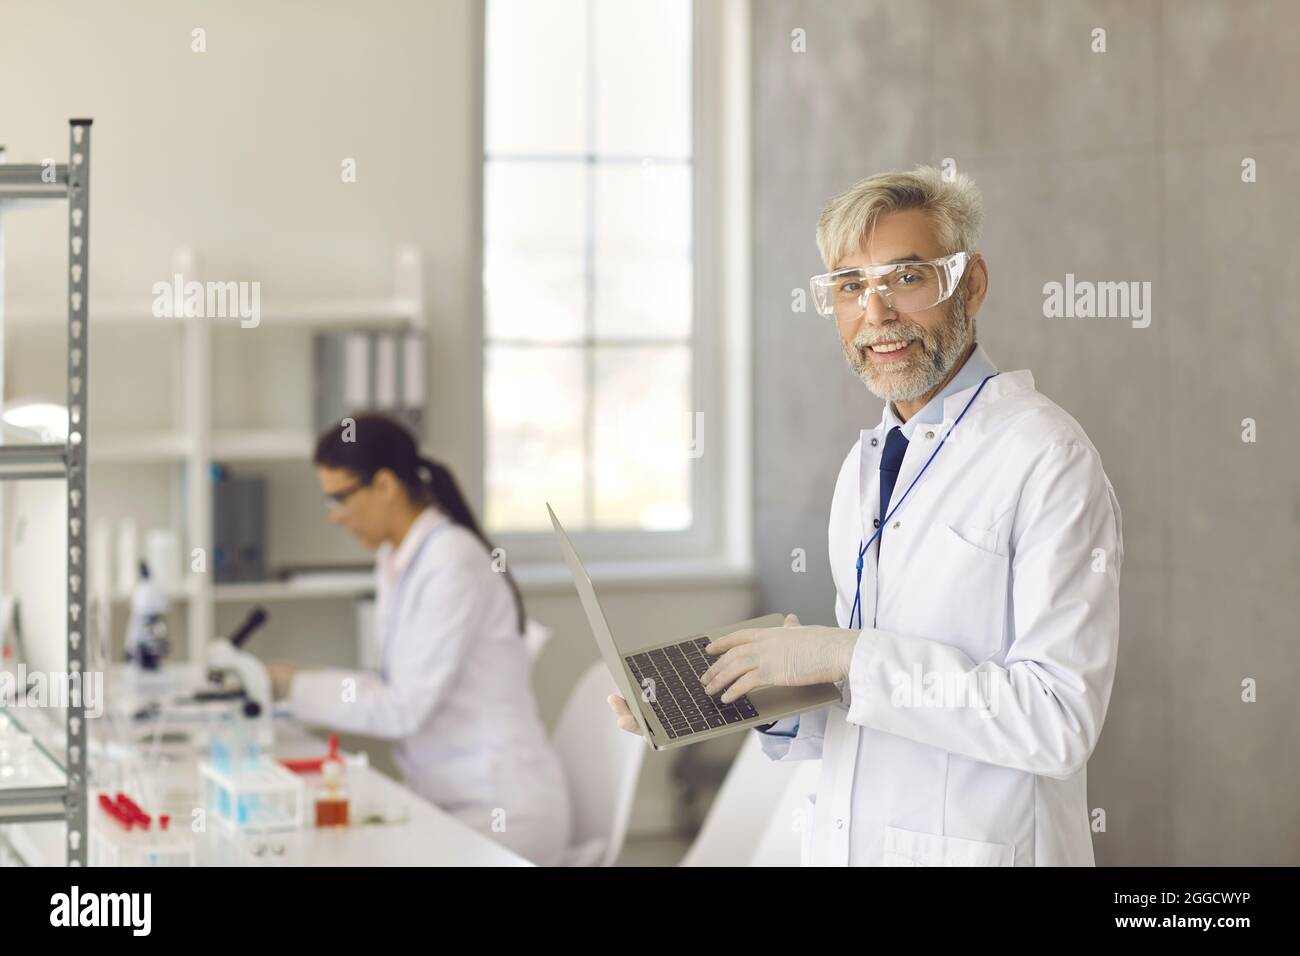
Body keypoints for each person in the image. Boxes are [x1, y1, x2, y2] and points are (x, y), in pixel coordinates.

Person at [609, 166, 1123, 866]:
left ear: (969, 285)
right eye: (850, 286)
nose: (875, 315)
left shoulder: (1046, 456)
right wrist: (774, 693)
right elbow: (876, 704)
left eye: (905, 279)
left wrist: (844, 654)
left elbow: (1058, 719)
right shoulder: (867, 465)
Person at [270, 413, 571, 865]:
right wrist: (294, 678)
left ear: (385, 486)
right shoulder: (398, 556)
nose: (335, 517)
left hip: (500, 811)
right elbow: (395, 682)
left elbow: (402, 708)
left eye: (340, 499)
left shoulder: (452, 561)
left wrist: (291, 687)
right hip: (448, 798)